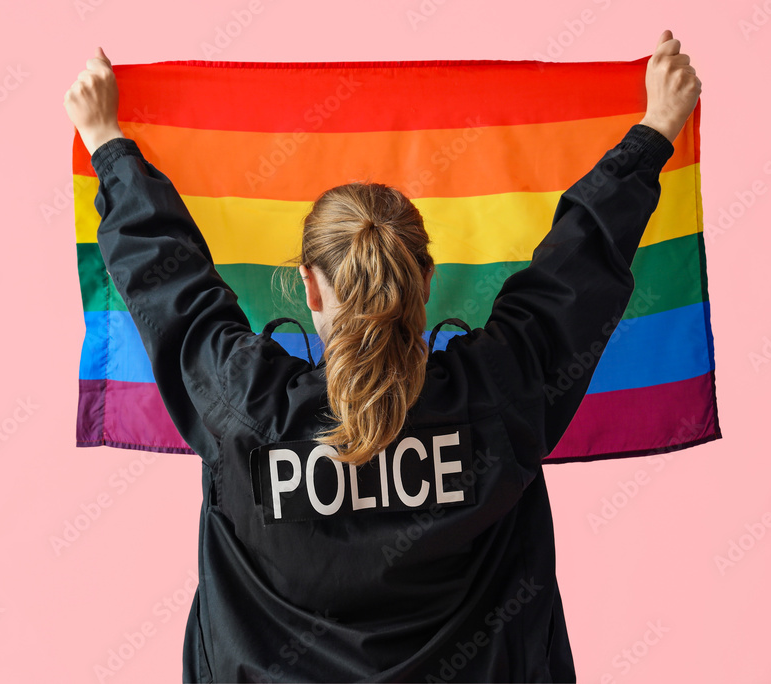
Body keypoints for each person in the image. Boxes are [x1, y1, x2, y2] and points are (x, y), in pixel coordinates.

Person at [64, 29, 701, 683]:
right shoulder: (501, 391)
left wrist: (107, 140)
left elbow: (171, 288)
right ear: (426, 282)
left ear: (310, 283)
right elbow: (576, 271)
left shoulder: (243, 405)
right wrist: (655, 128)